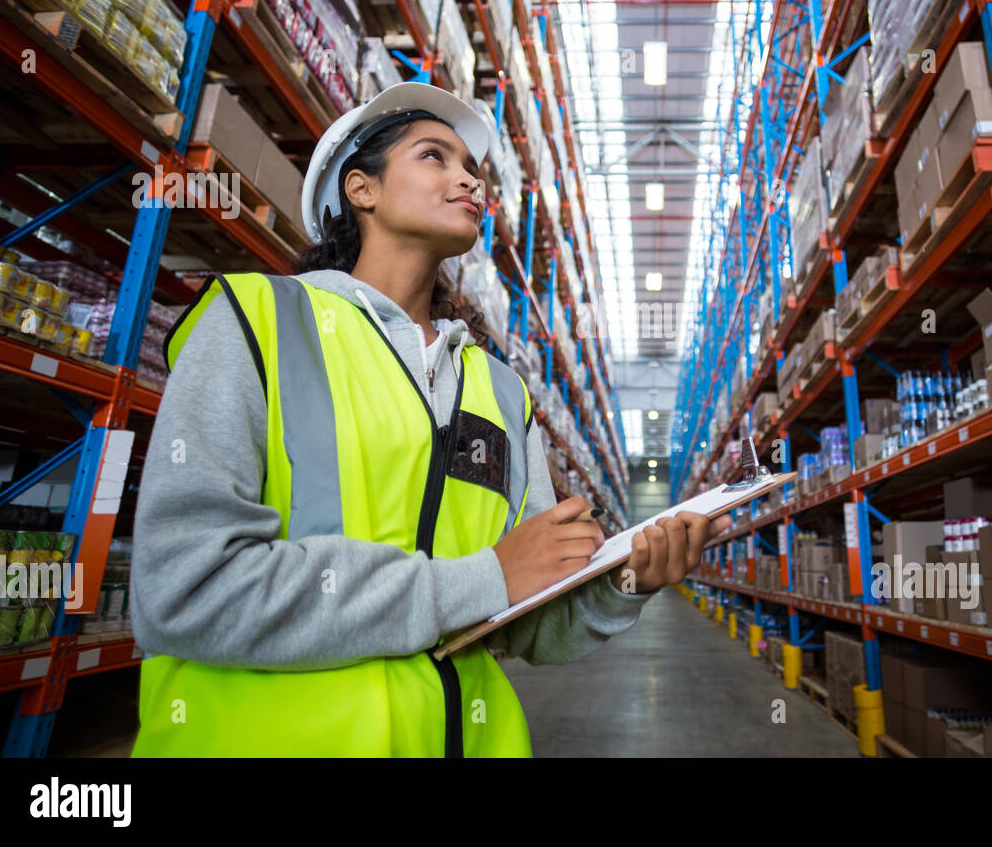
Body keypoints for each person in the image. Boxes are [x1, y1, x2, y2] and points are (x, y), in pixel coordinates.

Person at [128, 81, 730, 757]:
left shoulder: (501, 392)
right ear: (363, 190)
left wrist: (625, 581)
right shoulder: (256, 321)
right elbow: (185, 590)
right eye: (434, 157)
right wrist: (479, 579)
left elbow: (525, 623)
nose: (469, 179)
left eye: (473, 169)